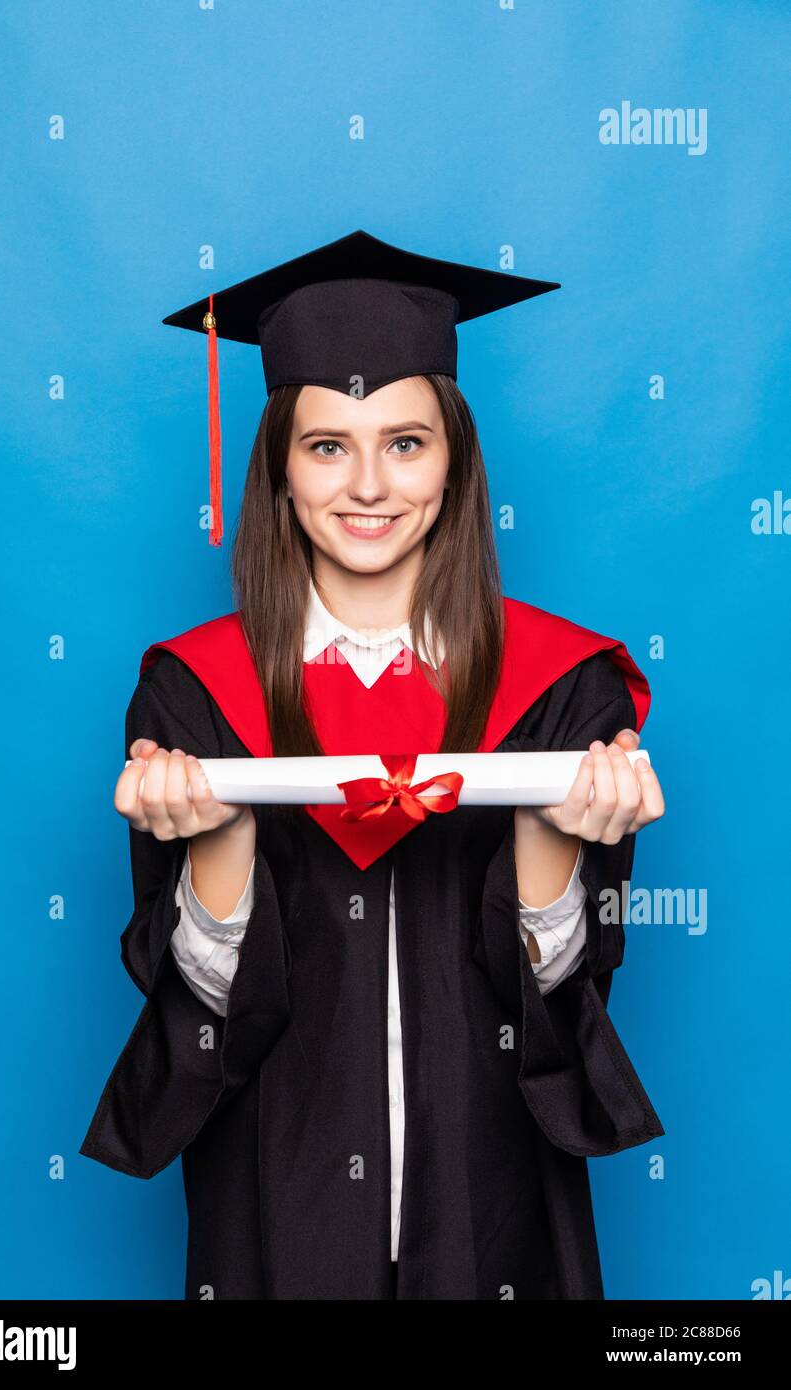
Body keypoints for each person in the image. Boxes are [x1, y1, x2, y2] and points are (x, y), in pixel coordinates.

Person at [79, 230, 666, 1300]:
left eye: (404, 443)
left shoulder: (556, 687)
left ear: (453, 461)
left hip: (494, 1203)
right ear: (277, 467)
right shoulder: (195, 696)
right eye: (325, 446)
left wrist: (549, 827)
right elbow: (197, 1016)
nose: (367, 485)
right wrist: (215, 844)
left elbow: (566, 996)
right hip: (277, 1191)